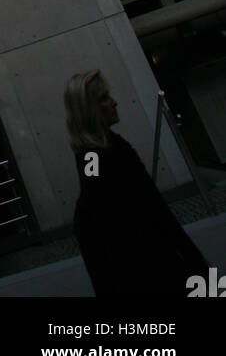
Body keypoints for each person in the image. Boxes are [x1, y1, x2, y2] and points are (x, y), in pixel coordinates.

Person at [64, 70, 208, 298]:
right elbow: (151, 211)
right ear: (89, 110)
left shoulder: (105, 150)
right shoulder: (97, 156)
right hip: (148, 271)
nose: (113, 102)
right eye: (103, 98)